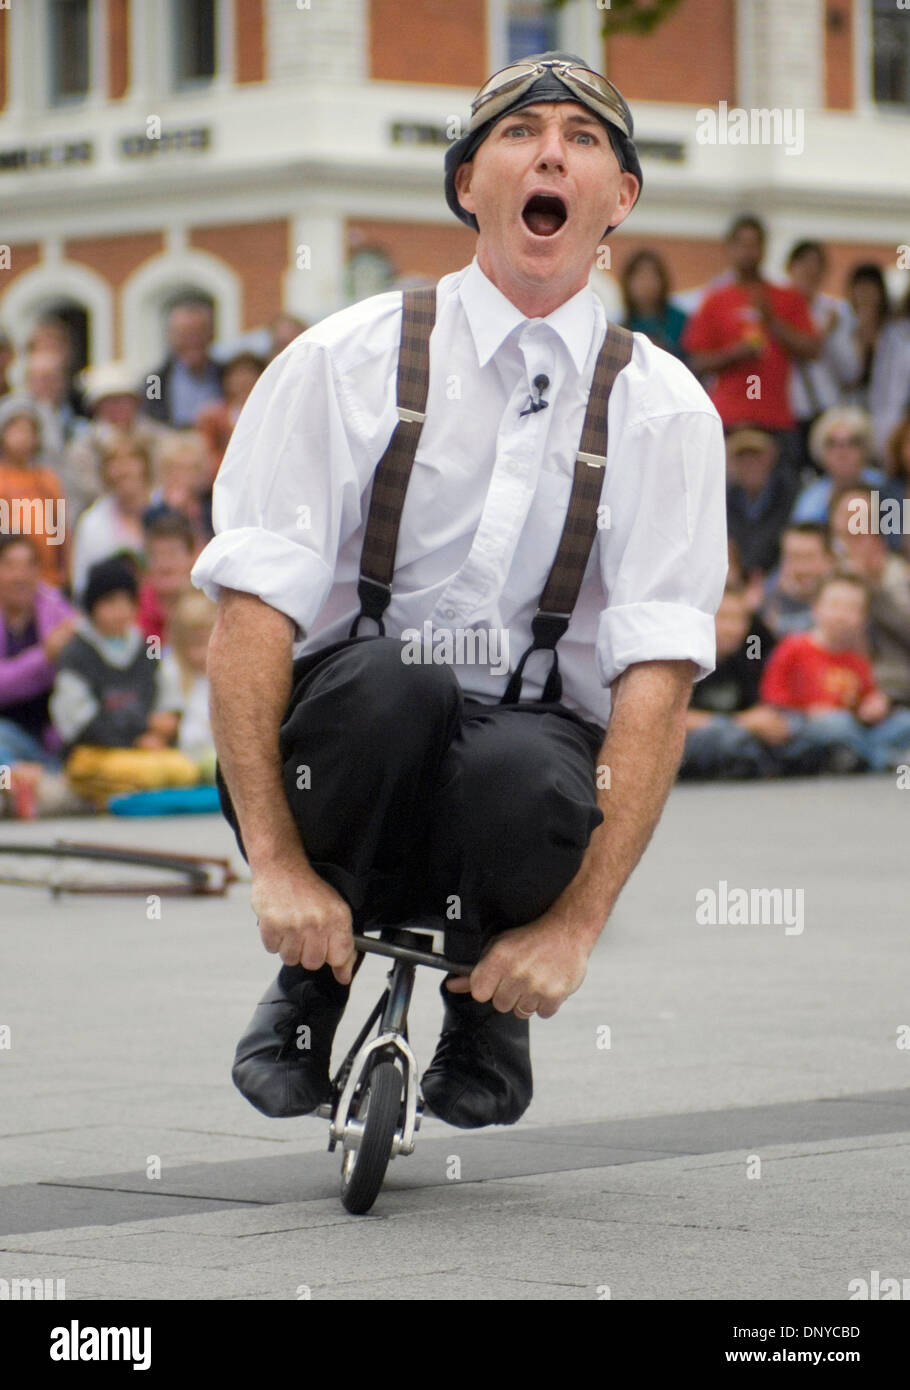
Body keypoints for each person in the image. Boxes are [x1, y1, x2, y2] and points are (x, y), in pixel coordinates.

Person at [191, 51, 727, 1130]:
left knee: (531, 770)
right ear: (467, 182)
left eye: (584, 141)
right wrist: (278, 868)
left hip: (519, 784)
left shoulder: (666, 409)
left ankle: (487, 1006)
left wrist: (572, 927)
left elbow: (656, 674)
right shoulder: (347, 356)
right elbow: (252, 614)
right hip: (342, 753)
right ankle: (312, 982)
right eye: (522, 134)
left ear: (618, 200)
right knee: (397, 680)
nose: (551, 154)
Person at [49, 557, 198, 808]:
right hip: (95, 752)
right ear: (93, 607)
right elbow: (80, 723)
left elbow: (168, 699)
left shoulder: (146, 645)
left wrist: (166, 725)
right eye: (110, 603)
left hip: (146, 749)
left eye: (126, 602)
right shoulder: (76, 652)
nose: (120, 611)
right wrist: (137, 735)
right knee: (148, 775)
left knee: (186, 771)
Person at [681, 214, 821, 475]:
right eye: (742, 244)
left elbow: (812, 350)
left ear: (764, 248)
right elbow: (695, 361)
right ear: (729, 249)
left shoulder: (787, 298)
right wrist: (736, 354)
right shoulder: (714, 300)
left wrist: (773, 322)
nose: (749, 252)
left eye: (754, 244)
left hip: (776, 419)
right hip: (727, 418)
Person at [759, 572, 910, 773]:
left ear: (863, 619)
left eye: (851, 609)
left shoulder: (857, 660)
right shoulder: (792, 648)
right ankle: (881, 759)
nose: (841, 615)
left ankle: (868, 756)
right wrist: (808, 713)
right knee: (836, 724)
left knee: (903, 722)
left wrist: (876, 704)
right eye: (835, 605)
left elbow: (865, 702)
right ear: (815, 609)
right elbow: (772, 701)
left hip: (853, 729)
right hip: (806, 728)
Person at [680, 584, 785, 779]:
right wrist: (742, 723)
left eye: (739, 619)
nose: (732, 628)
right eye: (724, 618)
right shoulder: (683, 660)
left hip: (736, 736)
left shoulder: (747, 659)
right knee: (722, 735)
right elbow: (675, 719)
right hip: (690, 743)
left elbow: (761, 712)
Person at [828, 482, 910, 710]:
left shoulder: (898, 573)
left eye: (863, 516)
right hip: (828, 682)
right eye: (848, 515)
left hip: (893, 688)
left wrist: (876, 588)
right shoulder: (817, 564)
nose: (855, 524)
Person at [785, 241, 862, 466]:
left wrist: (831, 337)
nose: (809, 272)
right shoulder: (778, 310)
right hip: (789, 411)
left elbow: (850, 371)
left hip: (826, 408)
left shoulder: (836, 312)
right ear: (790, 268)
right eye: (803, 264)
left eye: (816, 266)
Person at [70, 439, 153, 599]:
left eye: (131, 461)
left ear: (145, 466)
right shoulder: (91, 522)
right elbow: (81, 582)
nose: (123, 470)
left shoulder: (165, 511)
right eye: (114, 463)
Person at [0, 396, 68, 589]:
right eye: (16, 430)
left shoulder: (48, 480)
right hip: (8, 582)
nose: (23, 437)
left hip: (48, 577)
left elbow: (61, 529)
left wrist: (65, 572)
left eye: (29, 431)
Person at [791, 406, 892, 526]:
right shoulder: (811, 500)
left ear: (866, 448)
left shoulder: (887, 487)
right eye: (832, 443)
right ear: (821, 451)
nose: (842, 452)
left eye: (852, 442)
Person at [725, 426, 799, 575]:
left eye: (756, 455)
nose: (750, 463)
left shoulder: (791, 494)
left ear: (772, 457)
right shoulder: (725, 499)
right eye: (741, 457)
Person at [144, 296, 224, 429]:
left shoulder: (226, 375)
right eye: (185, 335)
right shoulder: (155, 380)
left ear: (211, 334)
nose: (193, 341)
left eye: (199, 333)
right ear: (170, 337)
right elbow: (150, 420)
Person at [195, 352, 266, 486]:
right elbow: (208, 454)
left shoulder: (271, 413)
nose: (243, 381)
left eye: (249, 374)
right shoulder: (212, 417)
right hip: (223, 479)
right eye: (238, 375)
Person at [136, 510, 198, 648]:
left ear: (192, 557)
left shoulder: (209, 607)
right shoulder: (134, 613)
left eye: (173, 553)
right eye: (156, 555)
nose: (165, 565)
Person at [761, 522, 834, 637]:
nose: (802, 568)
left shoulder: (845, 600)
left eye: (809, 557)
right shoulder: (767, 601)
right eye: (793, 557)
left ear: (829, 560)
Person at [619, 248, 688, 360]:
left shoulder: (682, 322)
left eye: (652, 276)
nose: (646, 283)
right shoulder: (621, 327)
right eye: (640, 277)